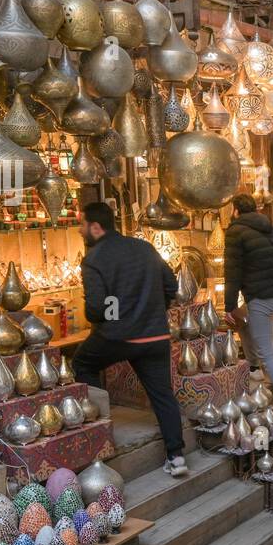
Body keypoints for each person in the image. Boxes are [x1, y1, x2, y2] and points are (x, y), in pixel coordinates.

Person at [73, 201, 188, 478]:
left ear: (96, 227)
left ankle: (99, 434)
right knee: (162, 395)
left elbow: (97, 308)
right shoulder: (144, 248)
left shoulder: (94, 259)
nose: (80, 230)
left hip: (118, 336)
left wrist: (116, 315)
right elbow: (171, 286)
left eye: (82, 224)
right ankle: (177, 456)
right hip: (155, 334)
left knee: (82, 363)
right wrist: (150, 311)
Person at [223, 193, 273, 398]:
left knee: (268, 354)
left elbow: (232, 273)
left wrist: (228, 306)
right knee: (242, 320)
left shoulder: (235, 232)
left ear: (235, 211)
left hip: (261, 297)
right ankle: (253, 369)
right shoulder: (268, 226)